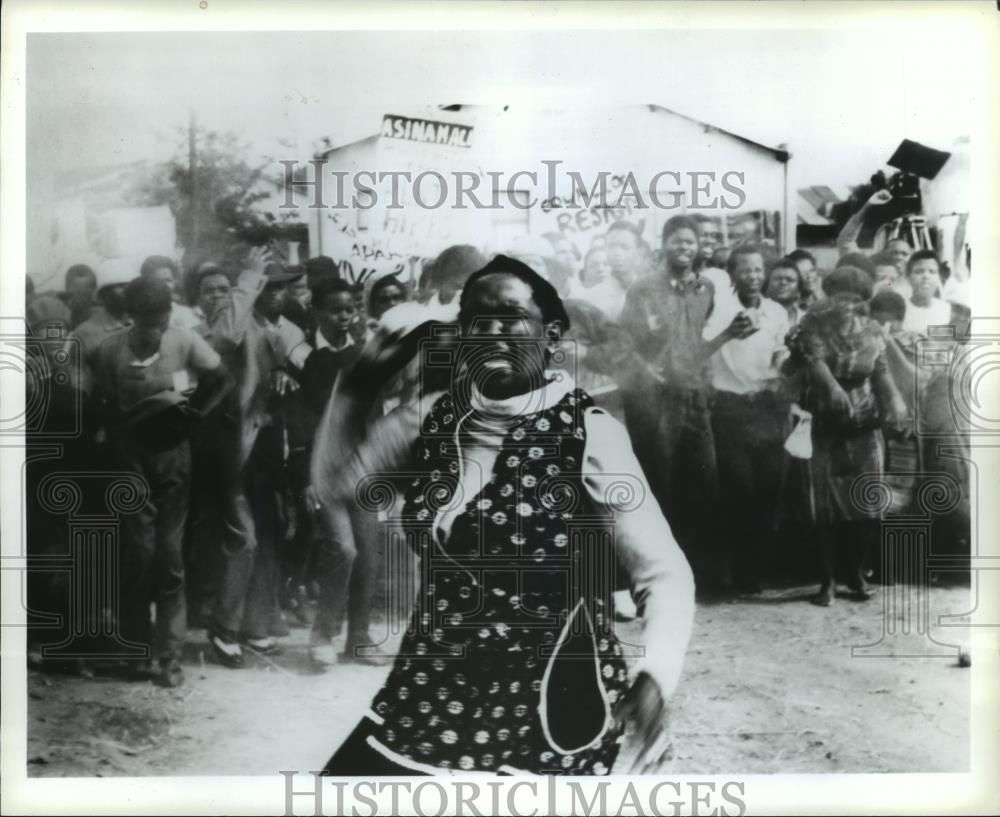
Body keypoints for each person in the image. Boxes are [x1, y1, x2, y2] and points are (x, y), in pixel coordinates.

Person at [312, 254, 695, 776]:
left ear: (551, 335)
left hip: (552, 693)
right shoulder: (429, 420)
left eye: (511, 319)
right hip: (434, 686)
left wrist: (654, 675)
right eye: (478, 322)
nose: (494, 335)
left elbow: (663, 571)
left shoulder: (590, 432)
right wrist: (359, 385)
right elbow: (338, 486)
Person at [92, 277, 233, 686]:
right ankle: (137, 647)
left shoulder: (185, 341)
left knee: (169, 557)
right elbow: (102, 397)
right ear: (132, 317)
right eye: (148, 322)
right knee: (139, 553)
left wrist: (197, 415)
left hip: (173, 453)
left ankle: (169, 656)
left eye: (162, 320)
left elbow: (222, 380)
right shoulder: (111, 347)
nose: (156, 329)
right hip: (130, 456)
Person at [204, 250, 311, 666]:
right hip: (234, 445)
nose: (277, 293)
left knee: (269, 534)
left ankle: (256, 628)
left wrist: (292, 373)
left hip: (271, 444)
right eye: (270, 285)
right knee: (243, 539)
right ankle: (223, 627)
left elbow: (309, 368)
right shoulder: (234, 321)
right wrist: (247, 278)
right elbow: (222, 340)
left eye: (283, 285)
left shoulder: (287, 329)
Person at [619, 215, 741, 580]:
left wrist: (728, 335)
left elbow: (695, 349)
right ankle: (654, 571)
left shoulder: (705, 288)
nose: (685, 248)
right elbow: (625, 343)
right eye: (678, 241)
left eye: (691, 242)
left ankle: (691, 568)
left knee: (704, 482)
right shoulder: (643, 289)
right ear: (665, 243)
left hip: (694, 397)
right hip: (656, 402)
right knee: (660, 483)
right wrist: (645, 371)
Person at [784, 266, 908, 606]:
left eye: (855, 299)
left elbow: (880, 369)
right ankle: (826, 581)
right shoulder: (813, 324)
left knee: (867, 504)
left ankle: (853, 572)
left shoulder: (871, 329)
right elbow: (815, 362)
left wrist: (894, 397)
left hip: (865, 422)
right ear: (829, 295)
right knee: (822, 507)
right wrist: (834, 388)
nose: (847, 305)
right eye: (840, 297)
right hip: (822, 421)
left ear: (864, 300)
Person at [702, 246, 791, 593]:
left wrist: (786, 364)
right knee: (739, 488)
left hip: (766, 406)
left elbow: (780, 353)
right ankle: (734, 572)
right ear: (733, 273)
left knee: (768, 489)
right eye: (745, 270)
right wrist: (729, 332)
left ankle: (755, 571)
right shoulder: (720, 308)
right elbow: (702, 348)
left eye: (758, 270)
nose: (753, 277)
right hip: (729, 407)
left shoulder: (776, 311)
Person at [140, 255, 202, 331]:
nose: (164, 286)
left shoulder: (187, 314)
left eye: (168, 280)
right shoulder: (138, 315)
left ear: (174, 282)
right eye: (158, 281)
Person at [566, 246, 627, 320]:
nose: (600, 269)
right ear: (586, 271)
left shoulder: (622, 293)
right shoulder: (576, 295)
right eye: (593, 266)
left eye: (606, 264)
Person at [901, 250, 952, 336]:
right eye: (919, 271)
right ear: (908, 277)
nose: (926, 276)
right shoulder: (900, 309)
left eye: (932, 272)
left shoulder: (947, 309)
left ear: (939, 277)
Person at [763, 256, 808, 327]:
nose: (783, 283)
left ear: (798, 291)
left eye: (789, 280)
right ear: (767, 285)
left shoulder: (806, 320)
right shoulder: (758, 316)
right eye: (777, 279)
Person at [604, 220, 643, 291]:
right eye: (611, 246)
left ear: (638, 253)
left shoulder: (650, 293)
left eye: (625, 247)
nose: (617, 253)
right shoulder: (592, 295)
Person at [61, 263, 99, 328]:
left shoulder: (103, 313)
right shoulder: (58, 313)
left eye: (87, 293)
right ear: (67, 289)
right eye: (78, 292)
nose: (83, 300)